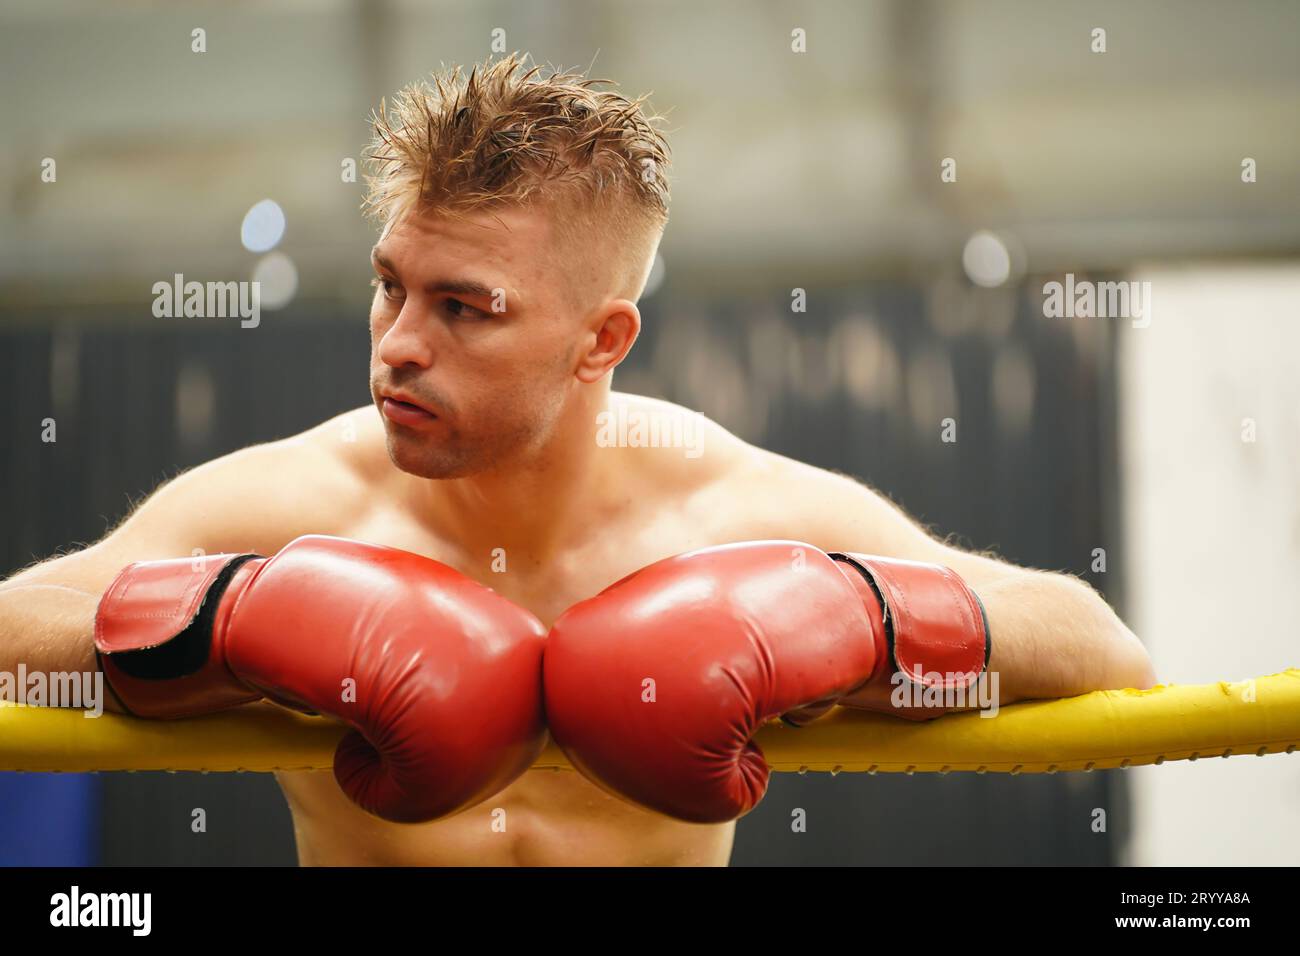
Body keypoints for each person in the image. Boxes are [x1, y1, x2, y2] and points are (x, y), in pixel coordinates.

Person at [0, 53, 1155, 866]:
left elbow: (1105, 655)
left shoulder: (734, 516)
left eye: (465, 307)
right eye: (389, 286)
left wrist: (852, 617)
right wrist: (236, 616)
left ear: (601, 339)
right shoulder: (292, 505)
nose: (399, 345)